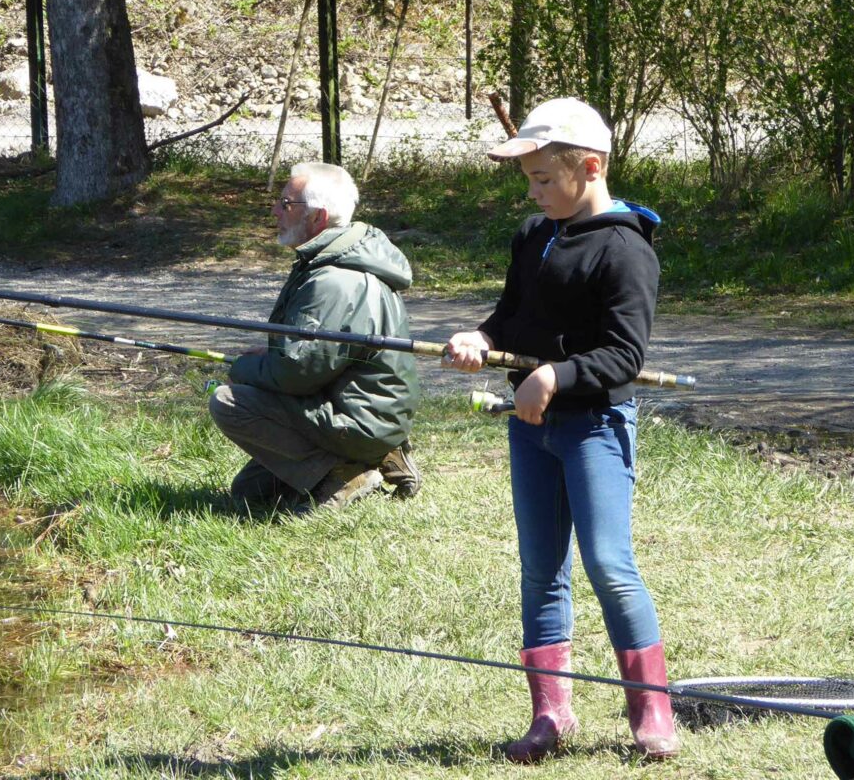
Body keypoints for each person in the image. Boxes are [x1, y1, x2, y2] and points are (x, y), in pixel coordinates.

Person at [446, 98, 680, 762]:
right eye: (530, 181)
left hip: (594, 428)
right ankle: (552, 713)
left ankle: (651, 716)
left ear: (592, 167)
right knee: (540, 571)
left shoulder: (626, 247)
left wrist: (554, 377)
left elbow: (624, 355)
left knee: (609, 564)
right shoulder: (533, 234)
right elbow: (509, 319)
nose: (534, 191)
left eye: (545, 179)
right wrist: (477, 338)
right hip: (532, 432)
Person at [210, 162, 421, 512]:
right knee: (250, 491)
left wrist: (244, 367)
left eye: (286, 204)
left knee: (228, 402)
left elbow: (297, 372)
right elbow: (315, 354)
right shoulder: (334, 260)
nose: (275, 211)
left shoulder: (334, 280)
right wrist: (270, 354)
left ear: (317, 218)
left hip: (360, 419)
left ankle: (347, 471)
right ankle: (380, 455)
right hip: (362, 410)